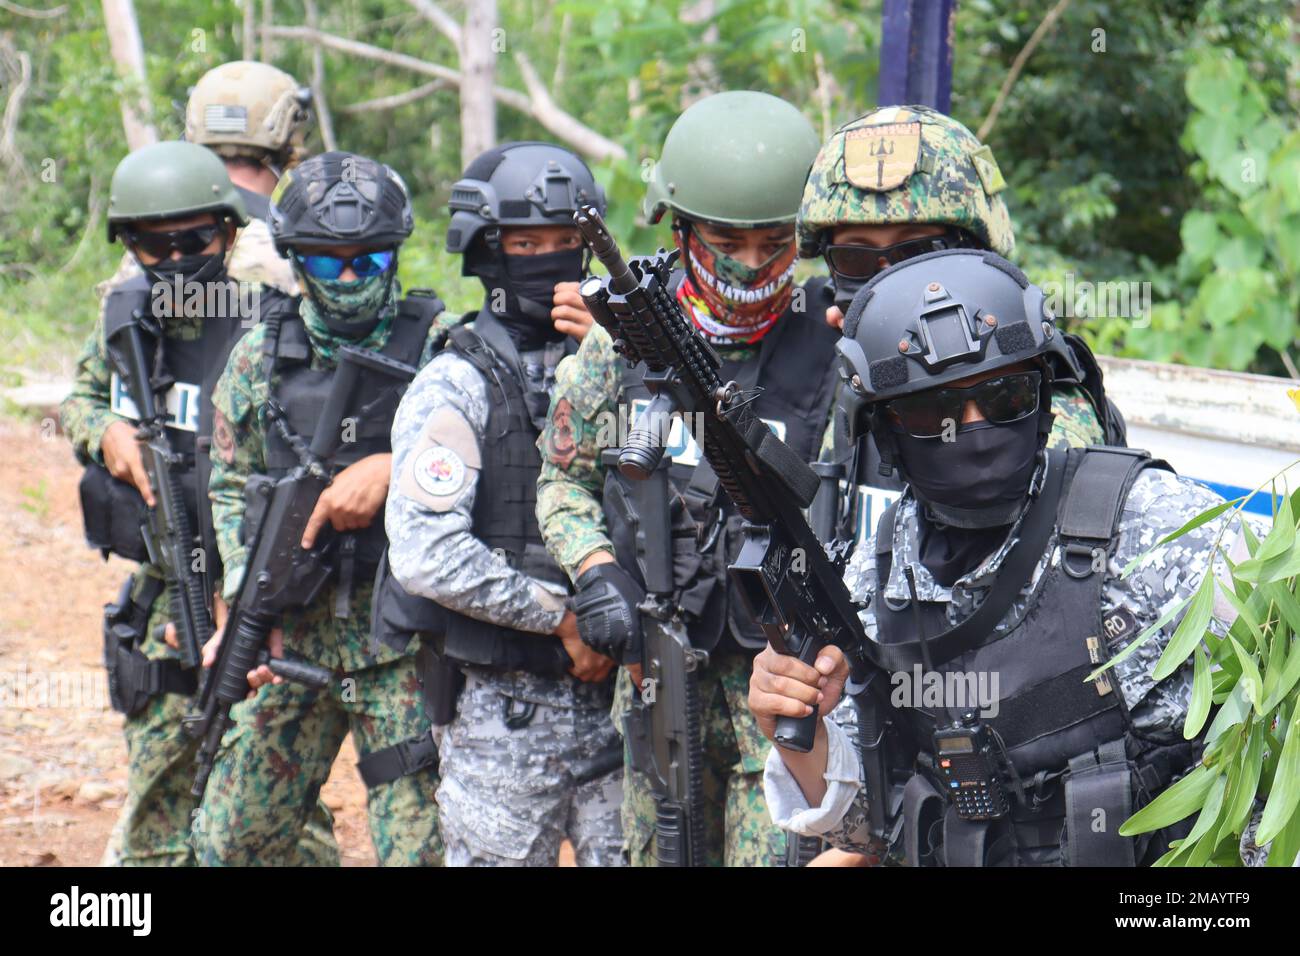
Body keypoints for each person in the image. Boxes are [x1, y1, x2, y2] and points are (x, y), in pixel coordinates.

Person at [748, 248, 1249, 867]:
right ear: (886, 433)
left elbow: (1275, 756)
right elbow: (870, 828)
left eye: (1006, 397)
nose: (974, 428)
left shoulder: (1155, 530)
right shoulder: (876, 578)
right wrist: (800, 732)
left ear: (1042, 398)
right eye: (936, 412)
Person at [536, 91, 837, 866]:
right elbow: (563, 482)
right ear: (680, 228)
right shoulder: (623, 344)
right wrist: (597, 573)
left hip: (790, 678)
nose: (749, 263)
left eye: (774, 243)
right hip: (658, 666)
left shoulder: (836, 345)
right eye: (727, 240)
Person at [61, 141, 333, 865]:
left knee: (276, 819)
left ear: (231, 232)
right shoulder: (124, 320)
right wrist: (106, 431)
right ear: (129, 245)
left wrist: (236, 599)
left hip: (260, 610)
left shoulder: (276, 330)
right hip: (165, 600)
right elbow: (81, 398)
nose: (178, 259)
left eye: (195, 240)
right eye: (156, 244)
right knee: (159, 809)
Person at [377, 141, 621, 866]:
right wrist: (563, 619)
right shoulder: (457, 382)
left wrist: (621, 357)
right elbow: (426, 554)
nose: (548, 259)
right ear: (489, 251)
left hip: (629, 709)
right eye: (526, 242)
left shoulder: (629, 361)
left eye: (567, 244)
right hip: (504, 715)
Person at [197, 151, 445, 866]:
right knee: (229, 842)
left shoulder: (439, 346)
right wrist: (247, 601)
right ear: (296, 261)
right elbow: (231, 483)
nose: (347, 280)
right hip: (292, 642)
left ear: (393, 256)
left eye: (365, 262)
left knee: (418, 852)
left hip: (402, 647)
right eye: (327, 263)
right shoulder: (258, 358)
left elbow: (492, 456)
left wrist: (396, 469)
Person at [798, 106, 1124, 544]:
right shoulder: (858, 382)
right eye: (855, 259)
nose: (882, 282)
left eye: (917, 255)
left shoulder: (1028, 409)